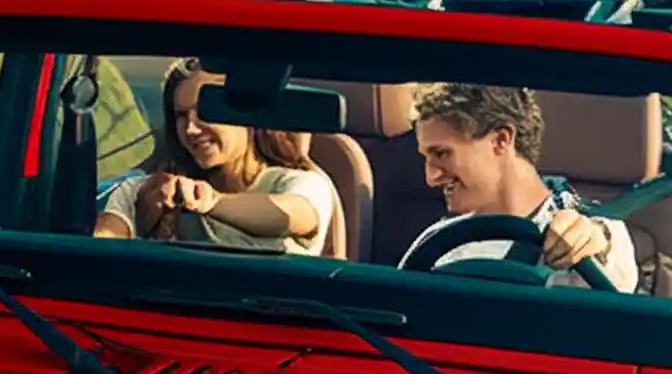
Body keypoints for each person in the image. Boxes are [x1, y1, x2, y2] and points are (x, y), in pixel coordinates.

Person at [397, 81, 639, 292]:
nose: (431, 178)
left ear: (501, 141)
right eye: (426, 158)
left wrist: (596, 244)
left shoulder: (595, 231)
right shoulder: (436, 242)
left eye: (442, 153)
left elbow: (616, 282)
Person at [93, 57, 342, 257]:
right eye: (181, 116)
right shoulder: (151, 189)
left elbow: (289, 215)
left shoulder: (304, 184)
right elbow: (98, 253)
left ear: (247, 114)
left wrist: (211, 202)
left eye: (204, 111)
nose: (190, 129)